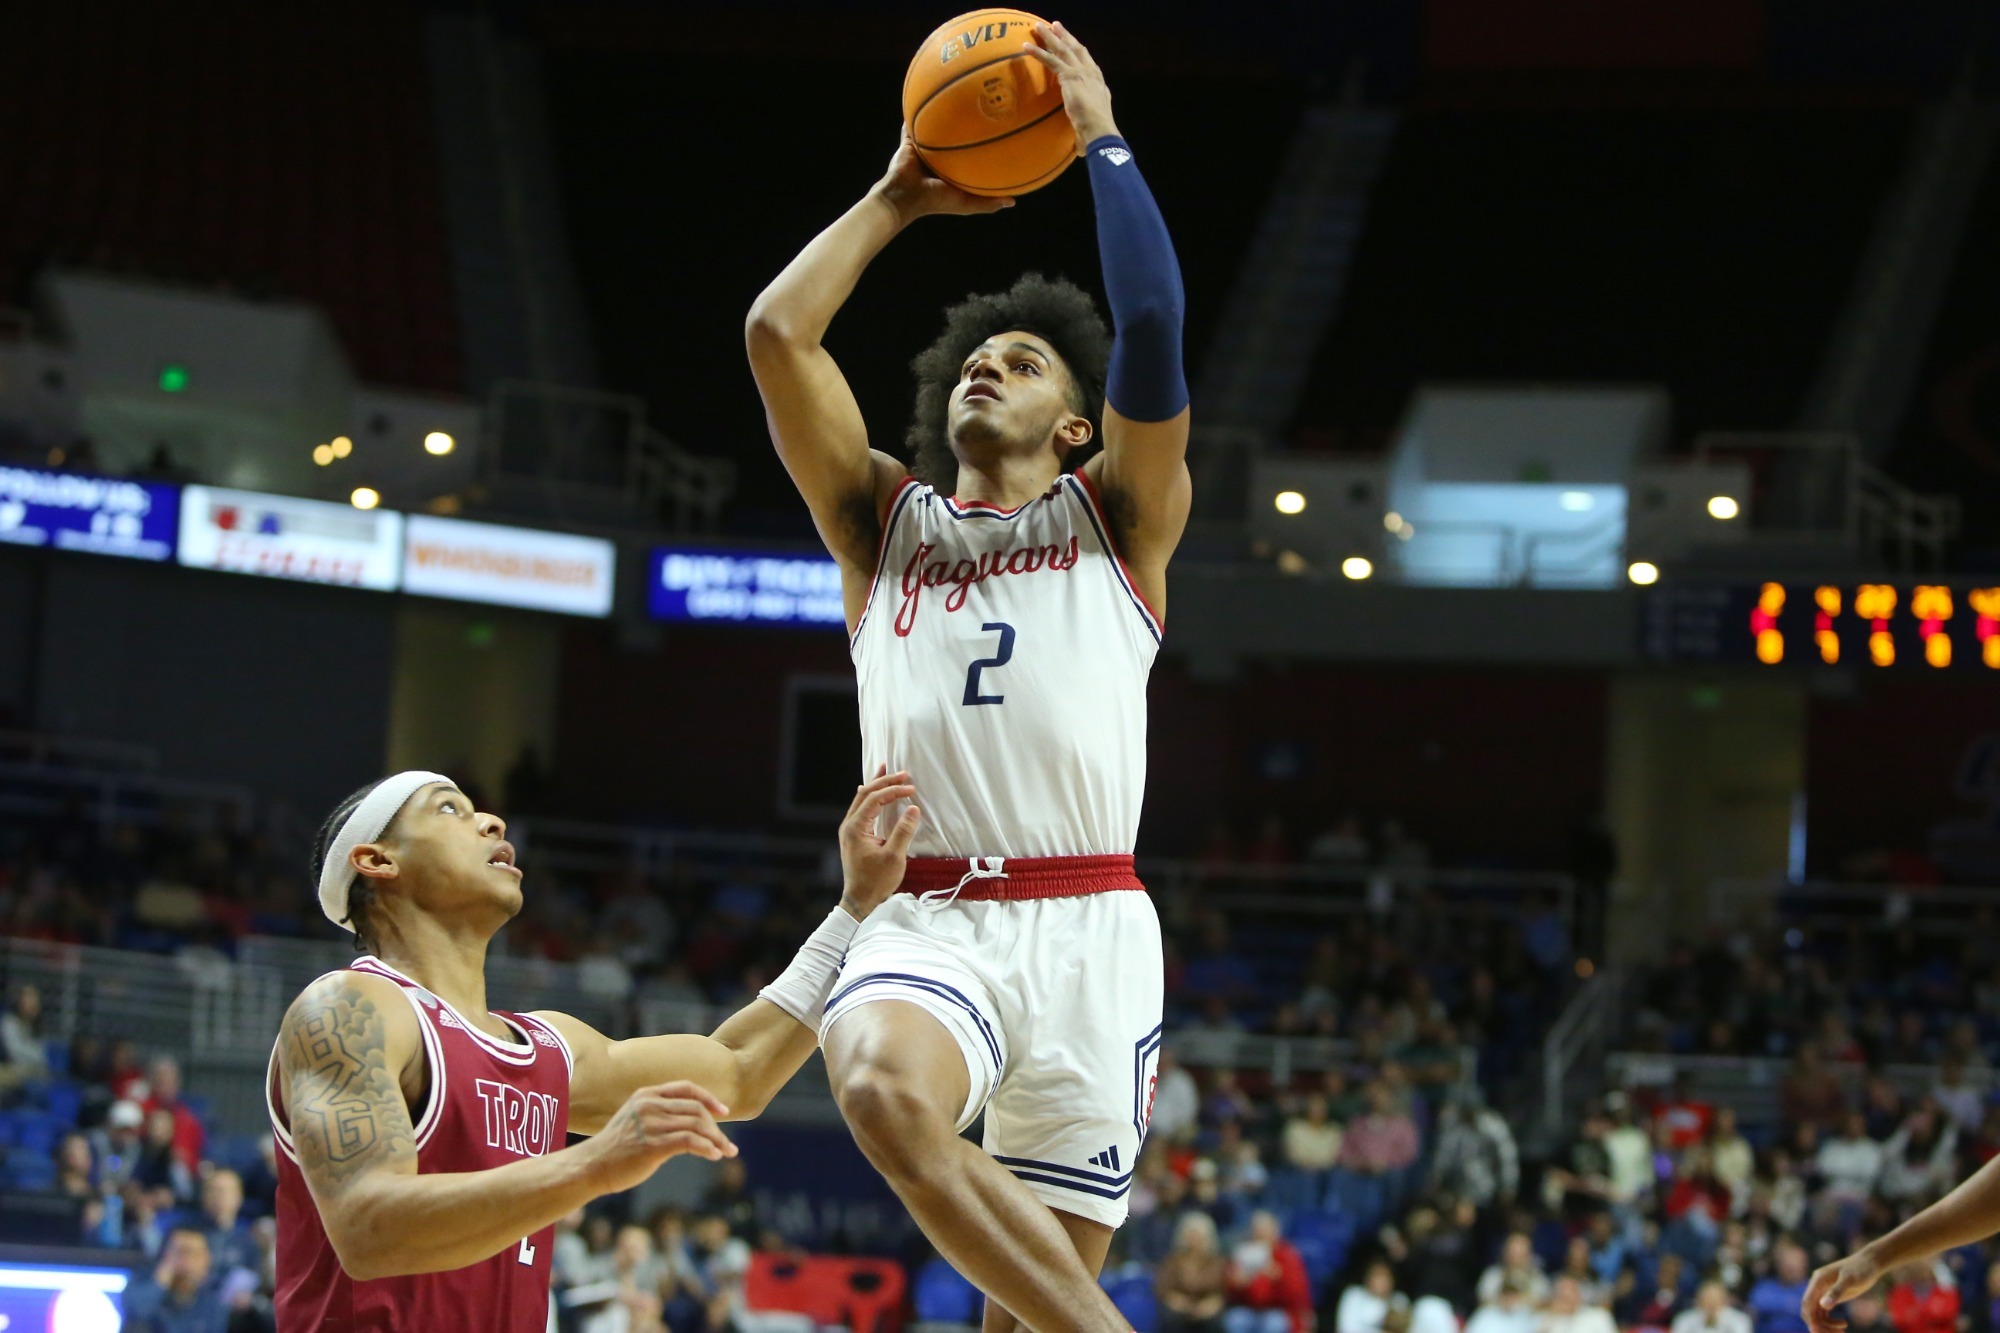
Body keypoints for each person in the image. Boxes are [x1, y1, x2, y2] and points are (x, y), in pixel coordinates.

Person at [746, 21, 1189, 1333]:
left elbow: (1154, 320)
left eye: (1027, 358)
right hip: (930, 910)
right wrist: (896, 196)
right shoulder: (885, 527)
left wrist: (1100, 129)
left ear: (1073, 428)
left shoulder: (1116, 521)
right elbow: (778, 334)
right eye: (974, 360)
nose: (989, 361)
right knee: (879, 1086)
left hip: (1094, 927)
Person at [268, 769, 919, 1331]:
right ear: (378, 860)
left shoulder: (548, 1046)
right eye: (450, 809)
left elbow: (740, 1071)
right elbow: (368, 1228)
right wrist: (594, 1166)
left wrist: (857, 907)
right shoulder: (350, 1007)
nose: (492, 821)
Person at [123, 1224, 230, 1333]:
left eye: (195, 1253)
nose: (188, 1260)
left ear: (206, 1258)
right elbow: (137, 1313)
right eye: (182, 1252)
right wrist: (160, 1282)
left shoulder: (216, 1294)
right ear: (165, 1254)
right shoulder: (142, 1279)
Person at [1224, 1210, 1312, 1333]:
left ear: (1275, 1231)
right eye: (1257, 1230)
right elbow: (1231, 1294)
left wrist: (1278, 1279)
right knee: (1235, 1320)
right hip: (1249, 1310)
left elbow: (1297, 1295)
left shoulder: (1287, 1255)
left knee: (1272, 1323)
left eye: (1265, 1230)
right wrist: (1238, 1285)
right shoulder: (1243, 1253)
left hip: (1279, 1311)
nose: (1260, 1234)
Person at [1157, 1212, 1229, 1333]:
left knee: (1215, 1322)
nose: (1194, 1239)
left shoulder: (1217, 1261)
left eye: (1198, 1235)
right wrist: (1176, 1300)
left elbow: (1222, 1289)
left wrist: (1212, 1303)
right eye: (1191, 1234)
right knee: (1170, 1318)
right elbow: (1163, 1287)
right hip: (1180, 1308)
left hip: (1207, 1308)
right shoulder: (1174, 1260)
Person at [1749, 1239, 1811, 1333]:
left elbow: (1814, 1313)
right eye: (1787, 1265)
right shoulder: (1765, 1286)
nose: (1791, 1269)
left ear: (1804, 1266)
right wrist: (1792, 1305)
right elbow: (1758, 1304)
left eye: (1795, 1265)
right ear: (1779, 1266)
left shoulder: (1812, 1289)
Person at [1336, 1258, 1402, 1333]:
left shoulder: (1399, 1300)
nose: (1381, 1282)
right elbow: (1346, 1328)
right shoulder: (1354, 1295)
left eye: (1385, 1276)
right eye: (1377, 1276)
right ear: (1367, 1278)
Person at [1545, 1275, 1618, 1333]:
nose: (1568, 1302)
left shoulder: (1599, 1316)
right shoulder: (1552, 1321)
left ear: (1579, 1296)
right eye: (1563, 1297)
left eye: (1570, 1295)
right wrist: (1551, 1317)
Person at [1673, 1281, 1753, 1333]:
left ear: (1725, 1300)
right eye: (1707, 1298)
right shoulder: (1684, 1319)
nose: (1711, 1303)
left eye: (1715, 1298)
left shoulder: (1740, 1319)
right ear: (1699, 1300)